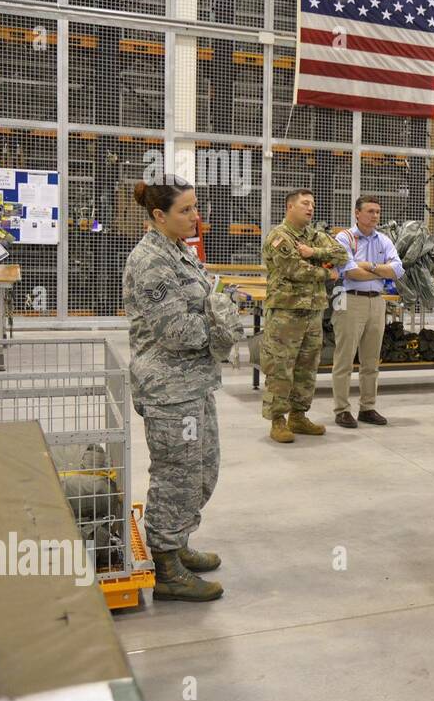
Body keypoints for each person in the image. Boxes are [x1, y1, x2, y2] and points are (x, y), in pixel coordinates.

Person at [123, 176, 241, 602]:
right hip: (169, 389)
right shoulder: (150, 261)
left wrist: (219, 305)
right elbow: (178, 331)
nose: (196, 217)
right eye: (186, 210)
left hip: (194, 383)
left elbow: (205, 299)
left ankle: (179, 541)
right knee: (177, 474)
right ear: (159, 216)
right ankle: (167, 566)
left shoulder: (178, 251)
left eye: (196, 207)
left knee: (203, 469)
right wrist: (223, 321)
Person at [260, 189, 349, 443]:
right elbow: (293, 269)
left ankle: (298, 416)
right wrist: (327, 274)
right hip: (286, 313)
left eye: (313, 204)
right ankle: (278, 421)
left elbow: (342, 254)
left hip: (313, 311)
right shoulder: (279, 236)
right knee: (281, 367)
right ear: (290, 207)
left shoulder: (315, 236)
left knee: (307, 367)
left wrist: (314, 253)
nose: (310, 208)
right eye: (305, 204)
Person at [331, 195, 404, 429]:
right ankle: (342, 410)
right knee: (344, 359)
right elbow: (350, 271)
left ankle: (367, 407)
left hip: (377, 302)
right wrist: (382, 272)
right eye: (370, 211)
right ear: (357, 213)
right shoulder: (344, 238)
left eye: (378, 212)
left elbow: (398, 269)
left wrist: (370, 267)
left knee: (371, 360)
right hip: (350, 301)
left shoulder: (383, 240)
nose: (375, 216)